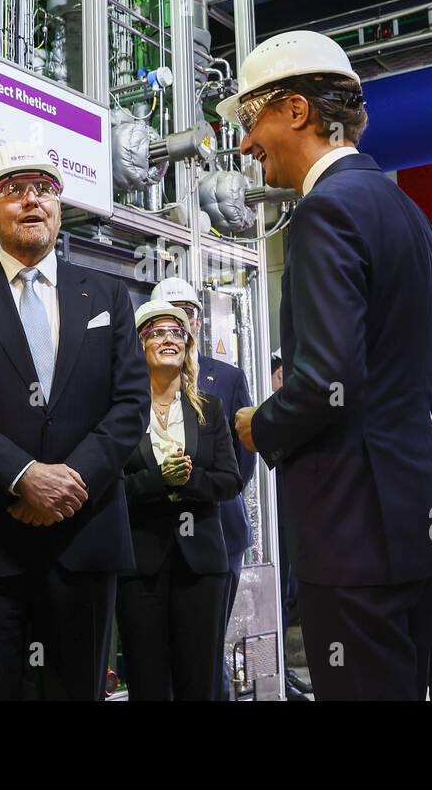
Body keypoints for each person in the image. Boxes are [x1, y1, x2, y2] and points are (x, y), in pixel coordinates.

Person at [229, 30, 432, 700]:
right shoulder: (406, 212)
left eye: (251, 121)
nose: (246, 145)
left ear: (295, 111)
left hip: (354, 537)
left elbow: (328, 382)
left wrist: (259, 424)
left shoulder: (326, 212)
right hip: (420, 523)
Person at [0, 143, 149, 701]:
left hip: (84, 535)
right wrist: (23, 475)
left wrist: (71, 481)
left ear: (58, 205)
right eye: (13, 190)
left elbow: (130, 406)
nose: (31, 200)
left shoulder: (106, 295)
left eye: (43, 189)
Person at [116, 300, 243, 699]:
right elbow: (109, 488)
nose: (169, 338)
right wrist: (157, 480)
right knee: (147, 680)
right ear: (139, 346)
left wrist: (185, 482)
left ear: (188, 345)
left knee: (200, 680)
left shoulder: (209, 408)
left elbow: (230, 480)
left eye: (177, 332)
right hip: (140, 567)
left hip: (201, 568)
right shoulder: (119, 415)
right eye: (156, 332)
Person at [148, 275, 266, 700]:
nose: (186, 320)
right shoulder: (135, 385)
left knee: (206, 645)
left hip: (219, 529)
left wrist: (204, 491)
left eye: (191, 312)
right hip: (151, 537)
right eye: (174, 313)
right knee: (158, 656)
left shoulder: (226, 379)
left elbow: (242, 457)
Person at [270, 348, 312, 700]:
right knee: (283, 596)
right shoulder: (274, 410)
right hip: (277, 521)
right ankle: (281, 674)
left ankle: (286, 671)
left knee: (293, 596)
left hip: (300, 516)